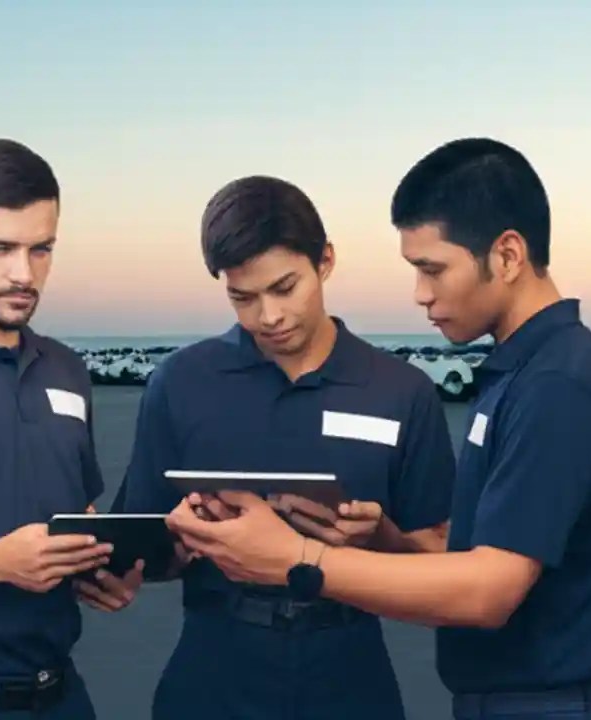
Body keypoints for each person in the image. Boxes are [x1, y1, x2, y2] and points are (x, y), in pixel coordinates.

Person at [167, 138, 591, 720]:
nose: (421, 294)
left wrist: (297, 556)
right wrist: (386, 541)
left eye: (433, 269)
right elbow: (469, 555)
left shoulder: (556, 385)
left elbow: (488, 591)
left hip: (544, 704)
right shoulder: (522, 374)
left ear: (509, 255)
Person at [110, 174, 456, 720]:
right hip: (213, 676)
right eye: (242, 298)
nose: (267, 317)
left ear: (325, 262)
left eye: (285, 288)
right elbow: (140, 554)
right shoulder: (180, 382)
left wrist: (382, 538)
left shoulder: (401, 391)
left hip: (350, 676)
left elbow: (443, 564)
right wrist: (174, 542)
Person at [0, 139, 138, 719]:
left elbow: (74, 510)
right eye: (1, 248)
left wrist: (100, 566)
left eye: (42, 249)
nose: (24, 273)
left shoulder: (67, 369)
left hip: (62, 696)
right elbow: (9, 553)